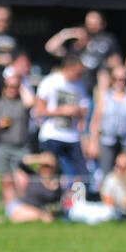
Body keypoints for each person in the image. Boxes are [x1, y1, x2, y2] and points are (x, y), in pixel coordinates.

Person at [34, 55, 91, 184]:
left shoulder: (80, 86)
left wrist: (85, 137)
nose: (79, 75)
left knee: (82, 175)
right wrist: (62, 110)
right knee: (50, 173)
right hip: (52, 134)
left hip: (73, 136)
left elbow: (83, 113)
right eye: (77, 72)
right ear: (68, 68)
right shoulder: (50, 82)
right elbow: (39, 110)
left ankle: (76, 201)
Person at [0, 73, 34, 210]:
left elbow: (31, 102)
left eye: (14, 86)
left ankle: (25, 208)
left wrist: (21, 86)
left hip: (21, 147)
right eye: (8, 86)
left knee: (23, 181)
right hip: (3, 147)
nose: (11, 89)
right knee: (6, 181)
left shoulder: (22, 103)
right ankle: (10, 210)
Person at [90, 66, 126, 176]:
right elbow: (95, 121)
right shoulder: (104, 97)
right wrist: (93, 143)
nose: (119, 82)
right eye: (116, 79)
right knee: (106, 174)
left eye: (122, 79)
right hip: (107, 140)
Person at [6, 152, 66, 223]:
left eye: (48, 166)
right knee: (17, 213)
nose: (46, 169)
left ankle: (38, 216)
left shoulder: (58, 181)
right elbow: (19, 162)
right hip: (22, 206)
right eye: (43, 166)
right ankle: (40, 216)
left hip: (38, 209)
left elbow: (57, 202)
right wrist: (38, 158)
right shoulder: (34, 176)